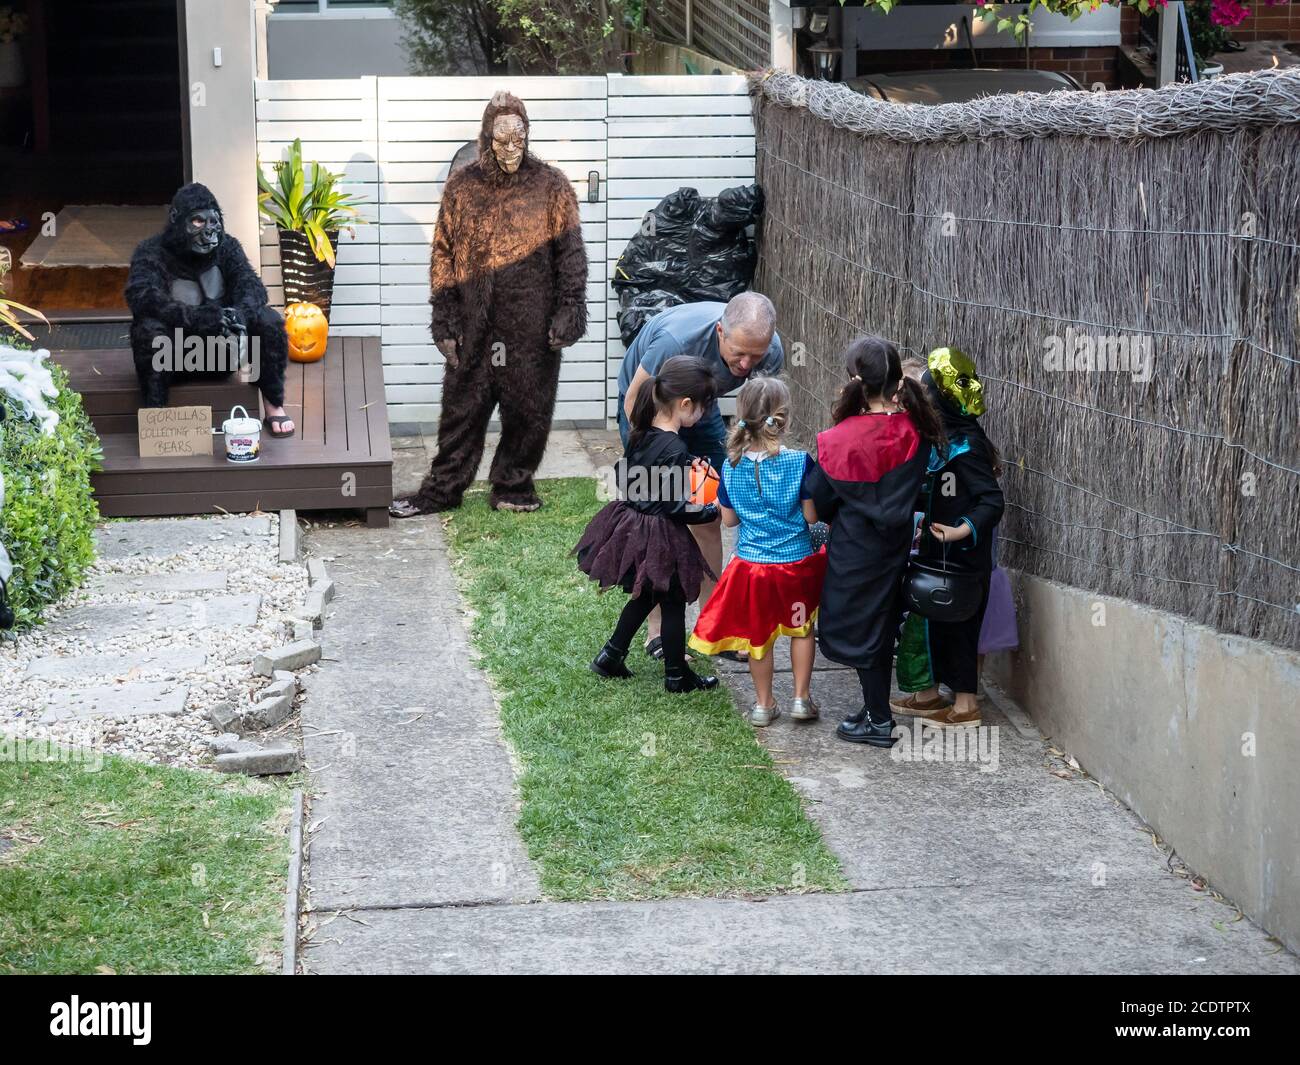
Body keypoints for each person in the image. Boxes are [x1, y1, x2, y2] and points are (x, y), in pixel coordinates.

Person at [390, 91, 588, 518]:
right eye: (502, 140)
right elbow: (442, 255)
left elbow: (571, 255)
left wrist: (570, 311)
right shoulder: (462, 186)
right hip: (473, 323)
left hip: (532, 328)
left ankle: (513, 486)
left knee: (529, 410)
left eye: (519, 139)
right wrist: (443, 320)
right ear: (486, 138)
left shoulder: (553, 186)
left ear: (528, 135)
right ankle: (443, 489)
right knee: (462, 410)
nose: (511, 149)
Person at [617, 293, 784, 660]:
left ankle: (712, 627)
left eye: (755, 356)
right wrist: (649, 460)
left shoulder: (769, 351)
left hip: (700, 406)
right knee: (657, 525)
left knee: (708, 515)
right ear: (720, 332)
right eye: (739, 352)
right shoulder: (677, 342)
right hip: (649, 409)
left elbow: (759, 418)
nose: (745, 364)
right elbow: (634, 400)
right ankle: (656, 632)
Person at [802, 336, 945, 747]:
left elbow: (822, 499)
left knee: (859, 627)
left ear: (854, 381)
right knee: (880, 623)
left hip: (854, 548)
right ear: (897, 381)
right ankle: (874, 708)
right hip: (895, 545)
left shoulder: (838, 439)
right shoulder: (914, 430)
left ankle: (880, 722)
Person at [574, 356, 721, 694]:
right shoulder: (674, 445)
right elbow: (675, 507)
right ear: (685, 405)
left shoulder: (644, 433)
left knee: (647, 597)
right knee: (672, 600)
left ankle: (611, 656)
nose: (704, 415)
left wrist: (686, 463)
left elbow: (627, 473)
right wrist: (709, 511)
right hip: (661, 534)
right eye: (703, 408)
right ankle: (676, 675)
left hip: (635, 525)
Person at [688, 376, 826, 726]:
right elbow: (811, 516)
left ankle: (763, 705)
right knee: (801, 629)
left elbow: (730, 521)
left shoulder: (730, 467)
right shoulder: (800, 462)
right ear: (785, 418)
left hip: (752, 568)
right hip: (794, 565)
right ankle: (801, 699)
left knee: (758, 638)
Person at [892, 347, 1005, 729]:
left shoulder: (967, 446)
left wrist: (961, 529)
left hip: (963, 558)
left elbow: (991, 500)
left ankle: (966, 704)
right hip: (937, 551)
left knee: (960, 627)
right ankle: (928, 695)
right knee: (930, 622)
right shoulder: (943, 439)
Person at [125, 183, 294, 437]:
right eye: (197, 221)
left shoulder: (227, 247)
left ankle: (273, 404)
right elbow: (142, 297)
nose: (209, 232)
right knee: (147, 329)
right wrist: (194, 318)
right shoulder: (152, 252)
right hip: (176, 358)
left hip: (223, 355)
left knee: (267, 319)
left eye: (213, 222)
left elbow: (253, 288)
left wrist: (238, 314)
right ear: (176, 220)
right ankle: (156, 416)